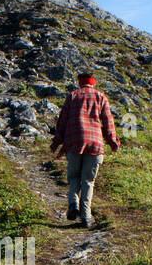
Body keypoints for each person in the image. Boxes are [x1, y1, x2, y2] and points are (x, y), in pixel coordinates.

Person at [50, 71, 120, 228]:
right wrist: (113, 142)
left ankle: (73, 204)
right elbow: (108, 123)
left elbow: (62, 122)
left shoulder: (73, 96)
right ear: (93, 82)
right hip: (95, 144)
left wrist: (57, 142)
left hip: (74, 143)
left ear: (80, 82)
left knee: (74, 177)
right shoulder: (101, 97)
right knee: (88, 180)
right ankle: (86, 217)